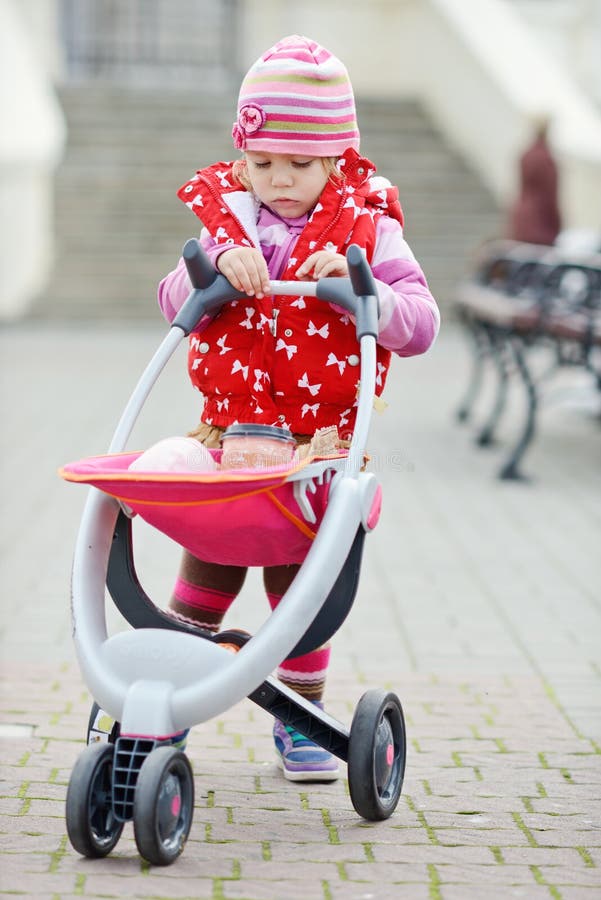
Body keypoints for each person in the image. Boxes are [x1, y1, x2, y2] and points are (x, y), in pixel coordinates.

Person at [157, 35, 440, 782]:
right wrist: (213, 266)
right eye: (263, 163)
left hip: (317, 443)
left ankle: (303, 716)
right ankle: (171, 700)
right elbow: (170, 299)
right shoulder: (228, 221)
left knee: (297, 576)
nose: (279, 181)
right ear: (242, 156)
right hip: (229, 433)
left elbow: (422, 321)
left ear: (337, 159)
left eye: (300, 164)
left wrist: (363, 292)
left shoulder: (368, 229)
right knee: (208, 562)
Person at [508, 115, 561, 246]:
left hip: (523, 219)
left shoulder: (527, 154)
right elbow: (549, 195)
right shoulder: (545, 158)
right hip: (541, 222)